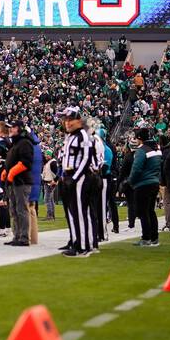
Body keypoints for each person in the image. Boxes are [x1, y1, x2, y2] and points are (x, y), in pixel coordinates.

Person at [58, 106, 100, 257]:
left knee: (80, 212)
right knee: (73, 212)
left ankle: (83, 246)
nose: (67, 123)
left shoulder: (83, 135)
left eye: (70, 119)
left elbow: (86, 158)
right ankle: (76, 242)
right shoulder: (71, 136)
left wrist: (75, 178)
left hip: (79, 177)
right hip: (70, 176)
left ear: (78, 120)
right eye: (65, 120)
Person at [2, 120, 35, 247]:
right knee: (14, 210)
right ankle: (17, 236)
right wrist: (6, 170)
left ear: (20, 129)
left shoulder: (25, 143)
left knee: (21, 209)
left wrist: (12, 172)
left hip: (22, 182)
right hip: (14, 182)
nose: (10, 129)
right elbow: (12, 161)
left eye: (13, 127)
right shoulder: (15, 144)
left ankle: (24, 238)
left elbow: (26, 162)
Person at [128, 127, 163, 246]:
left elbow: (136, 168)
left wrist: (130, 182)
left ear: (139, 138)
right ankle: (154, 238)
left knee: (143, 212)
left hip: (143, 183)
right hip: (154, 182)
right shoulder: (157, 148)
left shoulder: (141, 150)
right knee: (150, 211)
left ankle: (146, 238)